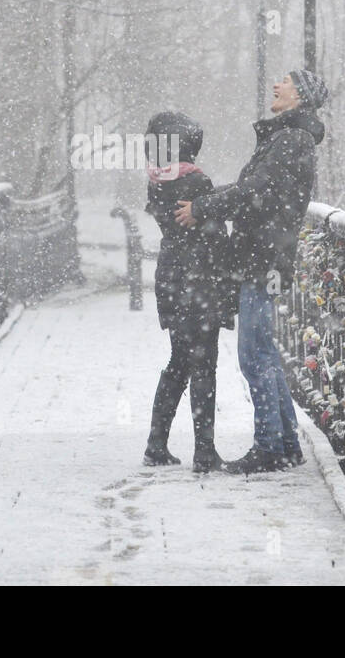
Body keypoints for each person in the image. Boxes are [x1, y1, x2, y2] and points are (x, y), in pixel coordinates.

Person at [175, 70, 329, 474]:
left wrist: (202, 207)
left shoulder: (290, 139)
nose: (277, 85)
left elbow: (254, 191)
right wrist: (208, 199)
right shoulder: (289, 138)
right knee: (265, 354)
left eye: (286, 82)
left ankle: (269, 448)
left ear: (300, 97)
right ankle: (286, 443)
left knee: (253, 356)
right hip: (264, 258)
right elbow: (252, 187)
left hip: (263, 261)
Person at [141, 111, 237, 473]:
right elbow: (213, 218)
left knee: (179, 361)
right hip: (199, 281)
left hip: (173, 278)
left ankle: (156, 444)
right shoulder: (195, 181)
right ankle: (204, 451)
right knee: (204, 365)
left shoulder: (160, 179)